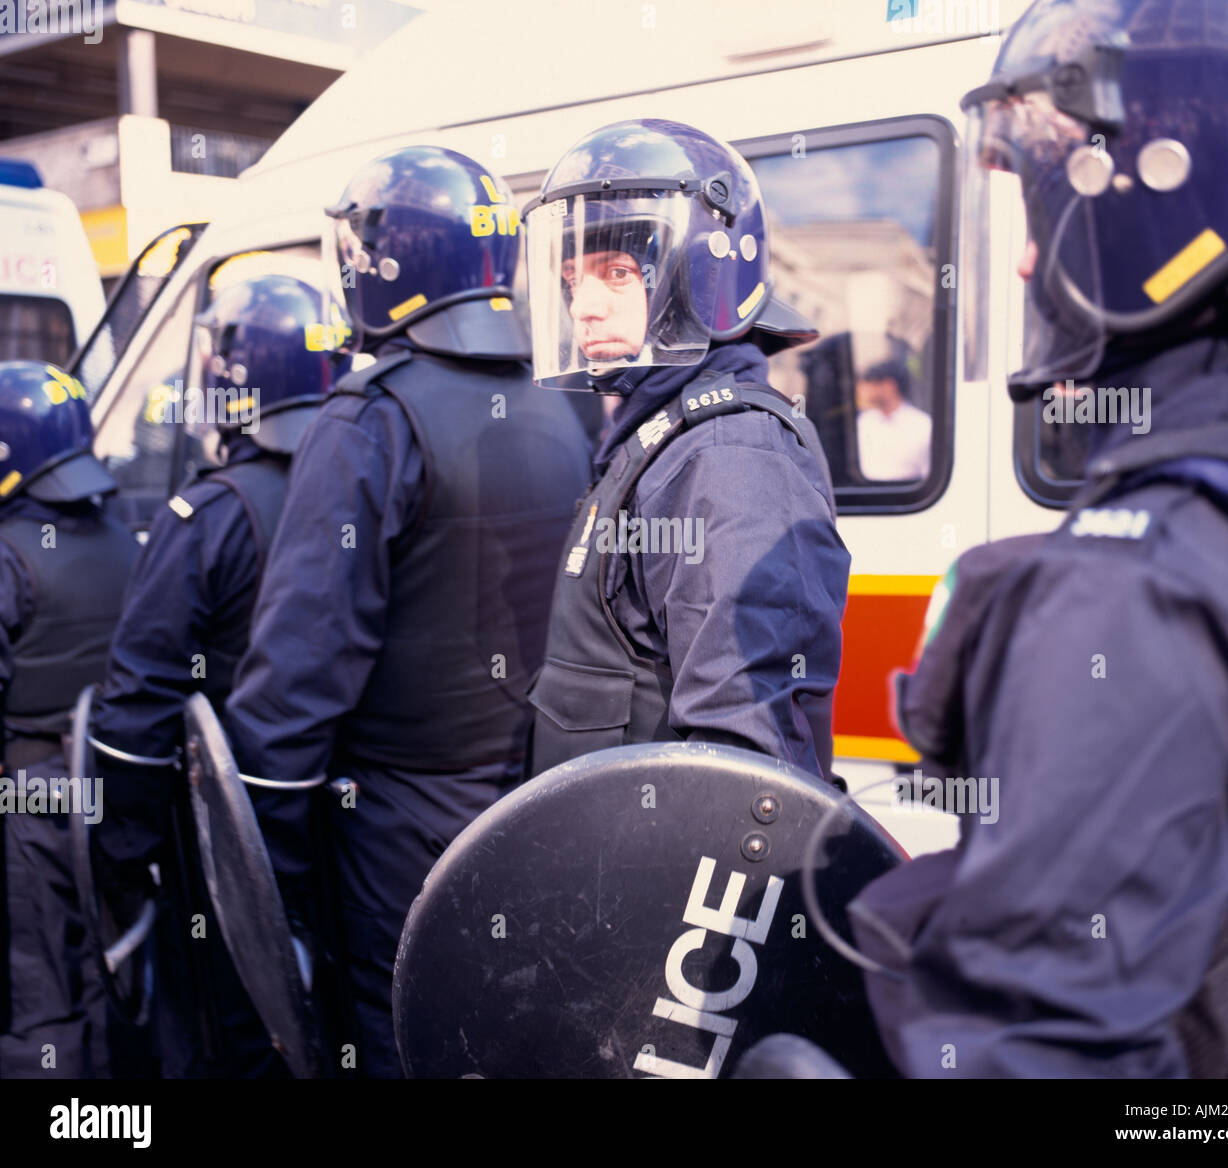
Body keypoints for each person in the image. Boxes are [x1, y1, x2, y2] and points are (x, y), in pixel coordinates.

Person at [849, 0, 1228, 1077]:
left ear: (1153, 203)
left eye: (1042, 195)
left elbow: (1035, 1044)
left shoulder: (1136, 581)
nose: (1017, 264)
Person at [220, 146, 593, 1078]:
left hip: (393, 825)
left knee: (403, 1045)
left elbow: (300, 671)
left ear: (384, 263)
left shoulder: (369, 419)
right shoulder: (564, 403)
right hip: (537, 805)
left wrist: (270, 859)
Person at [523, 117, 850, 782]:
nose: (582, 305)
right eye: (571, 278)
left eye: (616, 273)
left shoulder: (732, 455)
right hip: (609, 860)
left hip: (652, 870)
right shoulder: (663, 430)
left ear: (704, 271)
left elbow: (742, 767)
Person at [89, 272, 344, 1077]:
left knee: (237, 1036)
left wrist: (122, 855)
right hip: (355, 827)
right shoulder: (363, 480)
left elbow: (139, 703)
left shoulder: (210, 515)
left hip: (231, 841)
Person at [0, 360, 139, 1077]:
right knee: (108, 974)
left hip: (30, 798)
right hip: (117, 790)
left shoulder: (8, 553)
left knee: (39, 986)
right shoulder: (124, 535)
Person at [854, 358, 931, 480]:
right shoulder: (863, 422)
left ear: (889, 386)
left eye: (869, 383)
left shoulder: (922, 426)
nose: (862, 389)